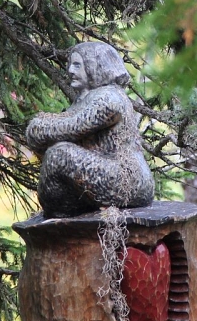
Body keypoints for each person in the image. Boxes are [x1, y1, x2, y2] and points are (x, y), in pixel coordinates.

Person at [26, 41, 154, 217]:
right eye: (70, 65)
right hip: (110, 176)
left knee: (59, 155)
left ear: (95, 66)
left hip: (128, 181)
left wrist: (37, 127)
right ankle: (65, 214)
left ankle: (63, 212)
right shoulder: (84, 100)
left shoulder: (109, 96)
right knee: (56, 155)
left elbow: (75, 126)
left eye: (78, 65)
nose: (70, 70)